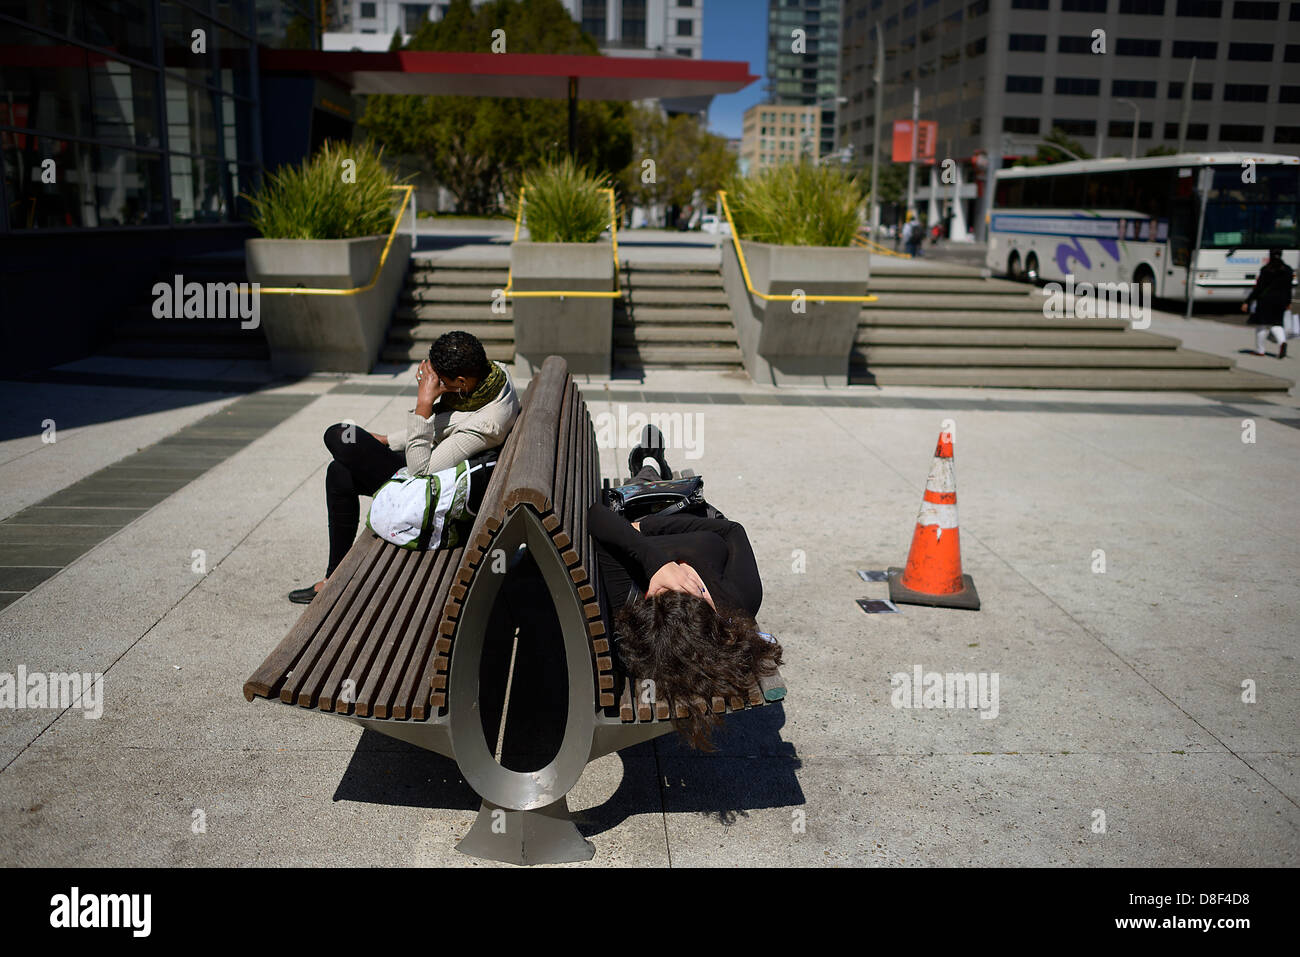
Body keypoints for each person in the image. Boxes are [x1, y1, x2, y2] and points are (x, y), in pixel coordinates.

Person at [585, 430, 783, 750]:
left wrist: (654, 559)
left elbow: (596, 516)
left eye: (658, 596)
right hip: (681, 519)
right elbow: (732, 530)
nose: (680, 584)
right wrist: (653, 541)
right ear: (712, 611)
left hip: (641, 518)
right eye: (695, 592)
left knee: (646, 494)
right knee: (669, 503)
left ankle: (649, 468)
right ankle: (651, 466)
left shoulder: (629, 597)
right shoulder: (741, 598)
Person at [288, 331, 521, 603]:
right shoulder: (490, 379)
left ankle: (333, 581)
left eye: (439, 381)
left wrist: (423, 402)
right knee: (340, 473)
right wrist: (389, 441)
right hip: (440, 468)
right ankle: (334, 578)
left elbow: (420, 471)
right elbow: (450, 423)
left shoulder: (486, 426)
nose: (433, 383)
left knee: (339, 436)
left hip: (434, 497)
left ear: (461, 381)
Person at [1241, 248, 1294, 359]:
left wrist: (1248, 301)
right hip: (1281, 301)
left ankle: (1260, 350)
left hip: (1266, 301)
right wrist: (1288, 302)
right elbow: (1288, 288)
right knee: (1277, 323)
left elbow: (1259, 288)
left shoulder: (1266, 269)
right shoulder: (1288, 270)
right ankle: (1282, 342)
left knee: (1262, 325)